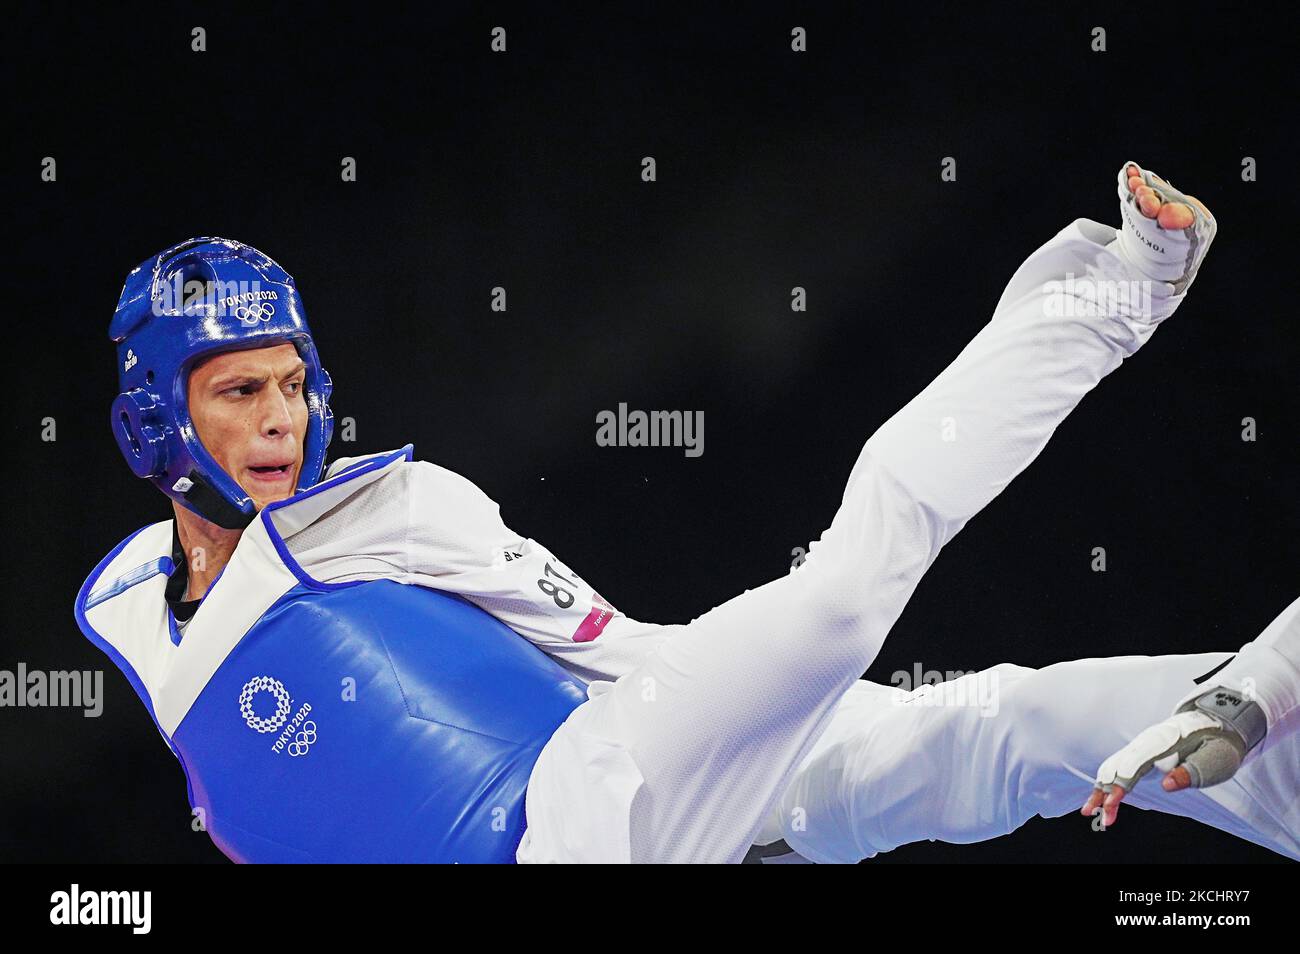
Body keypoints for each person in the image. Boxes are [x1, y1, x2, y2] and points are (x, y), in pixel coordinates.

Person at [78, 162, 1251, 864]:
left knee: (964, 706)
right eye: (241, 391)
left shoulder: (396, 507)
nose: (283, 420)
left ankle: (1115, 297)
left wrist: (763, 722)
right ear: (154, 427)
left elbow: (604, 646)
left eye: (293, 385)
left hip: (600, 800)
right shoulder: (124, 606)